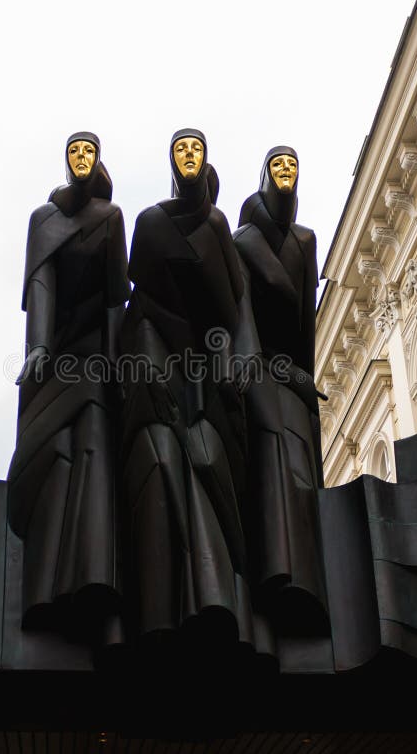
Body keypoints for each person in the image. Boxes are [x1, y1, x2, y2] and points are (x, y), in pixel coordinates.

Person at [120, 128, 259, 647]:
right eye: (180, 148)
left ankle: (218, 587)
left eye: (196, 148)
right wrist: (148, 368)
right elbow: (140, 301)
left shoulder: (218, 225)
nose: (189, 155)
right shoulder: (151, 222)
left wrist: (238, 358)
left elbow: (235, 301)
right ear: (171, 162)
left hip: (207, 362)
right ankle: (176, 597)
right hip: (157, 351)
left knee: (206, 457)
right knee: (164, 457)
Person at [7, 132, 130, 636]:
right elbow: (41, 283)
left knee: (93, 454)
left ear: (97, 160)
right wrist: (37, 348)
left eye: (89, 152)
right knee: (55, 456)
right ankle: (45, 587)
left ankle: (95, 576)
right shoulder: (45, 219)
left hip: (95, 359)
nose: (82, 159)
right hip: (55, 358)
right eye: (74, 152)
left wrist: (118, 360)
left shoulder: (111, 218)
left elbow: (114, 297)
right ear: (66, 162)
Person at [233, 145, 328, 632]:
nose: (287, 171)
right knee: (274, 460)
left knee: (301, 465)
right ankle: (277, 572)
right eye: (278, 165)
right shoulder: (242, 241)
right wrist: (251, 366)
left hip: (295, 377)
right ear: (265, 176)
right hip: (261, 371)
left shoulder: (306, 240)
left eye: (293, 164)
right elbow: (240, 311)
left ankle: (308, 577)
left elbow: (307, 321)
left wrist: (306, 376)